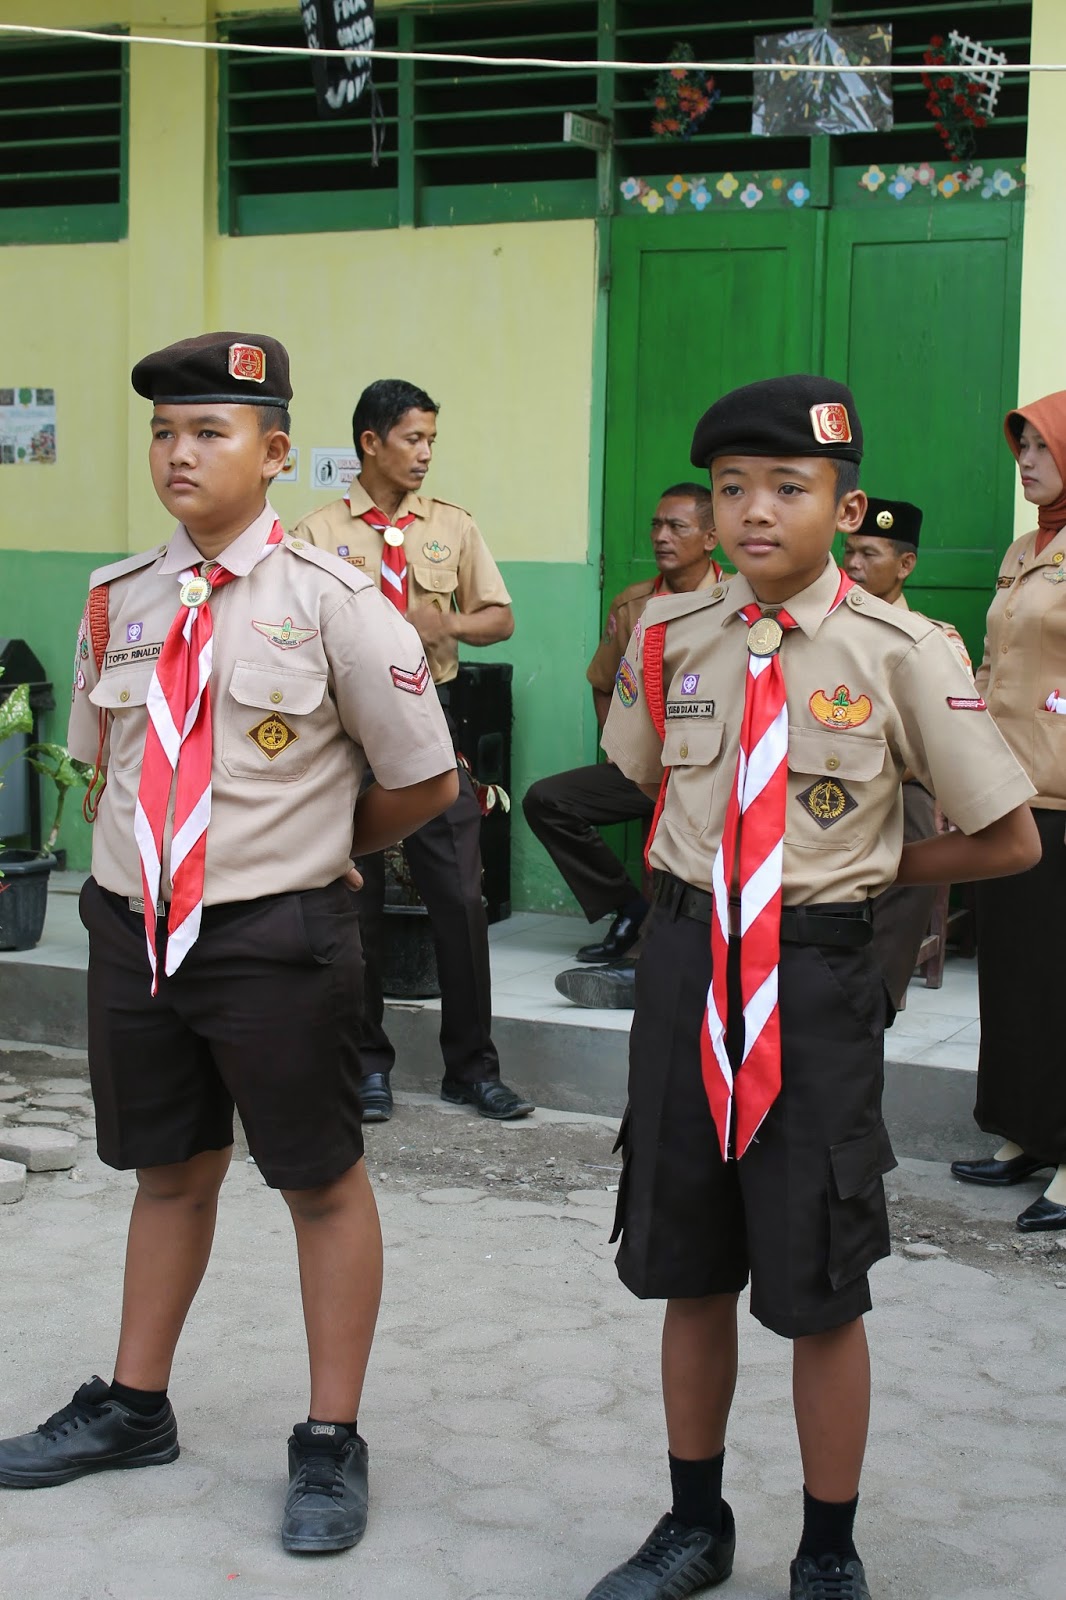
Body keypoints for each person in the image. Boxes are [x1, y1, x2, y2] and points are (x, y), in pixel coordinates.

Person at [0, 335, 460, 1556]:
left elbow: (424, 782)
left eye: (209, 431)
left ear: (273, 451)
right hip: (134, 927)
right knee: (168, 1169)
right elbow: (104, 773)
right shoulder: (119, 597)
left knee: (316, 1181)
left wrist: (310, 839)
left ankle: (328, 1438)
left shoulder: (337, 603)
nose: (180, 453)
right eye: (163, 432)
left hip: (274, 933)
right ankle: (134, 1404)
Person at [585, 375, 1038, 1600]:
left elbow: (1006, 835)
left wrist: (878, 865)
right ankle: (693, 1524)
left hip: (815, 973)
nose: (752, 511)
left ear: (842, 508)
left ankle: (827, 1548)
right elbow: (639, 780)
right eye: (731, 487)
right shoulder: (671, 635)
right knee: (686, 1260)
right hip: (685, 964)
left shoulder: (900, 649)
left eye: (787, 487)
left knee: (819, 1278)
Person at [291, 380, 532, 1124]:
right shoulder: (313, 533)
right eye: (412, 439)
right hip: (347, 737)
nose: (425, 453)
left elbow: (501, 618)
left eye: (431, 439)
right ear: (371, 442)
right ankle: (367, 1068)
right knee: (355, 905)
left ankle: (473, 1069)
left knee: (459, 899)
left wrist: (447, 624)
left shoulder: (451, 528)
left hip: (432, 727)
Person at [522, 484, 723, 1009]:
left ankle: (651, 963)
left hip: (713, 778)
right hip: (646, 770)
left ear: (711, 538)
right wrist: (621, 753)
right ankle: (627, 906)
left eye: (676, 527)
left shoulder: (739, 604)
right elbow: (604, 682)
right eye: (656, 525)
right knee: (547, 800)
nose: (661, 536)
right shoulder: (634, 604)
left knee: (683, 838)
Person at [952, 390, 1066, 1232]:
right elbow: (993, 665)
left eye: (1040, 446)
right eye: (1019, 446)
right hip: (1009, 793)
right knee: (1017, 977)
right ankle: (1029, 1131)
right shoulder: (1026, 547)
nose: (1025, 459)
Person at [842, 497, 972, 1015]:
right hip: (822, 777)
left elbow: (949, 740)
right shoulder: (817, 631)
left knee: (918, 837)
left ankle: (875, 995)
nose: (853, 565)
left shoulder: (934, 640)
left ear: (905, 564)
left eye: (869, 554)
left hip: (900, 779)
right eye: (848, 551)